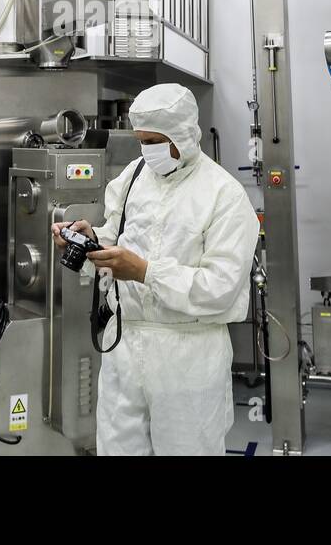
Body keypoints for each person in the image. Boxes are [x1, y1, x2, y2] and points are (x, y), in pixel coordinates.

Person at [52, 82, 260, 456]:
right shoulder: (133, 176)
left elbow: (221, 287)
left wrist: (146, 271)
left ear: (184, 134)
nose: (148, 150)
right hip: (125, 346)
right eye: (142, 140)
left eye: (156, 140)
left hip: (189, 356)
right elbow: (115, 236)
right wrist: (89, 241)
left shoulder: (223, 195)